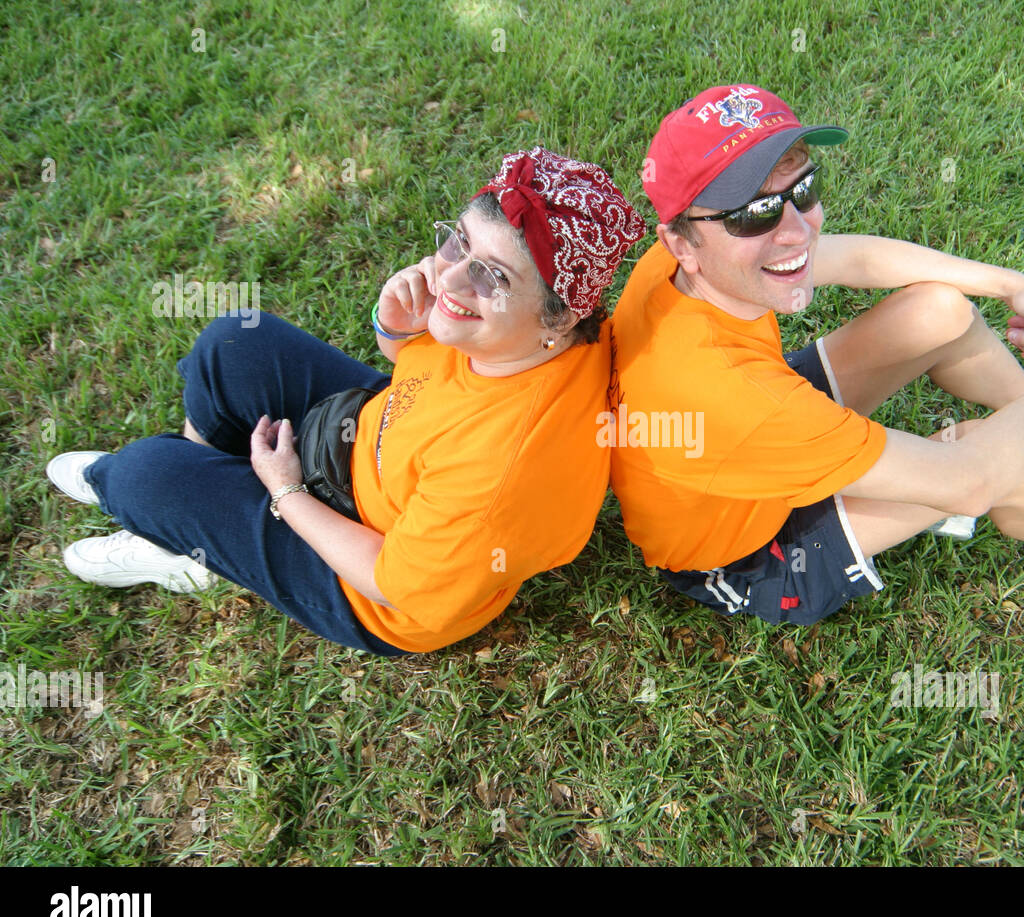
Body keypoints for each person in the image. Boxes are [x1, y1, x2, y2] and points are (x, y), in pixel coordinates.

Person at [607, 84, 1024, 625]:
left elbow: (856, 257)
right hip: (744, 555)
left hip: (743, 438)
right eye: (757, 214)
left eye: (802, 190)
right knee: (988, 458)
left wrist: (1009, 283)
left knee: (939, 310)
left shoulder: (690, 257)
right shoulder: (735, 397)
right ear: (682, 239)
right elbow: (971, 486)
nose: (798, 230)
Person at [46, 147, 646, 655]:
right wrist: (395, 329)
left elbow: (392, 582)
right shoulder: (525, 333)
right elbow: (419, 370)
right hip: (369, 443)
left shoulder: (505, 473)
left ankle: (178, 534)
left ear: (561, 316)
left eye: (492, 277)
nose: (450, 281)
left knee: (144, 477)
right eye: (458, 242)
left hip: (368, 580)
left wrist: (286, 492)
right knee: (237, 340)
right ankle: (197, 524)